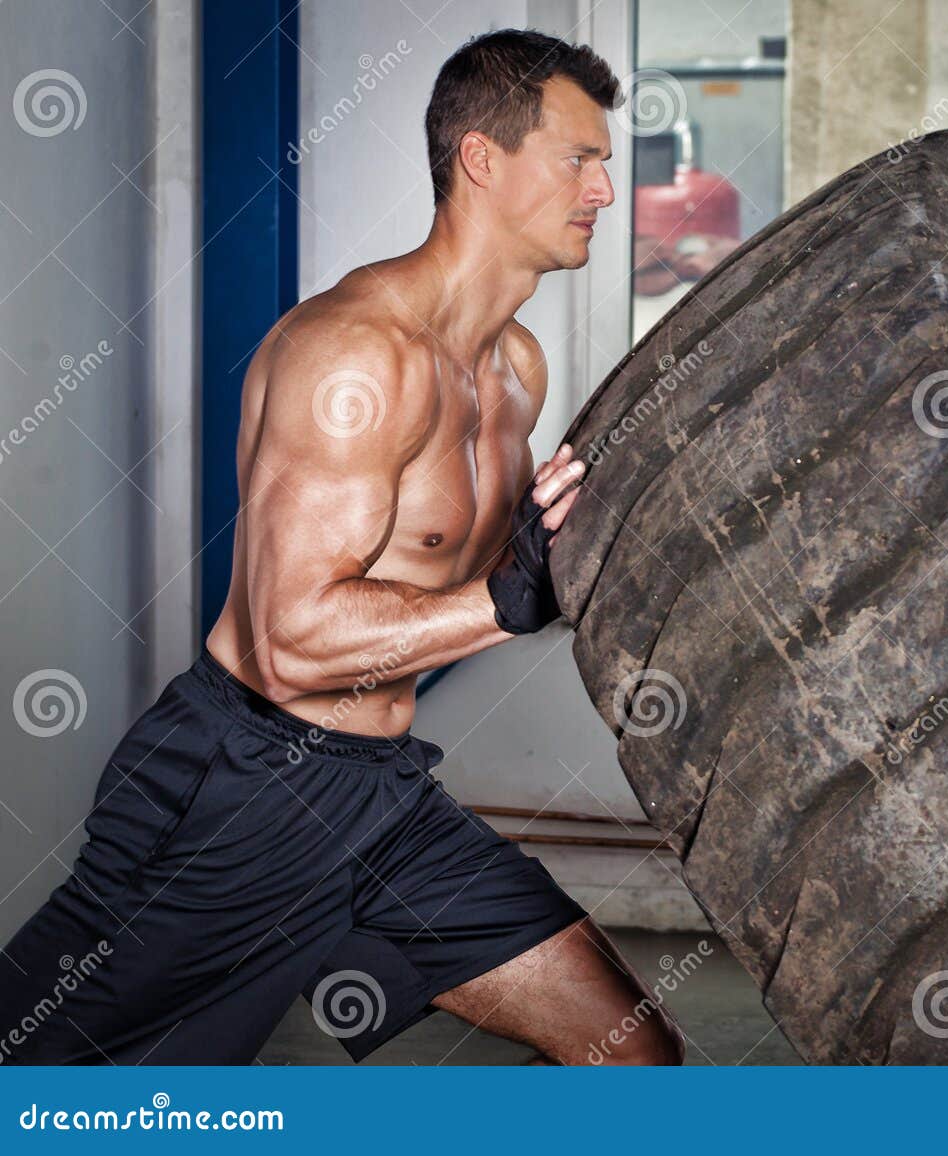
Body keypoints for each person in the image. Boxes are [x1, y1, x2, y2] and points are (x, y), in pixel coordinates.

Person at [0, 28, 686, 1066]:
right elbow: (291, 641)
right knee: (37, 1068)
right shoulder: (353, 357)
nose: (604, 185)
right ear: (483, 161)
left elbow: (499, 577)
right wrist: (509, 599)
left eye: (604, 158)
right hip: (235, 789)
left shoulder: (515, 371)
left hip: (380, 794)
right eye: (578, 156)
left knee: (632, 1048)